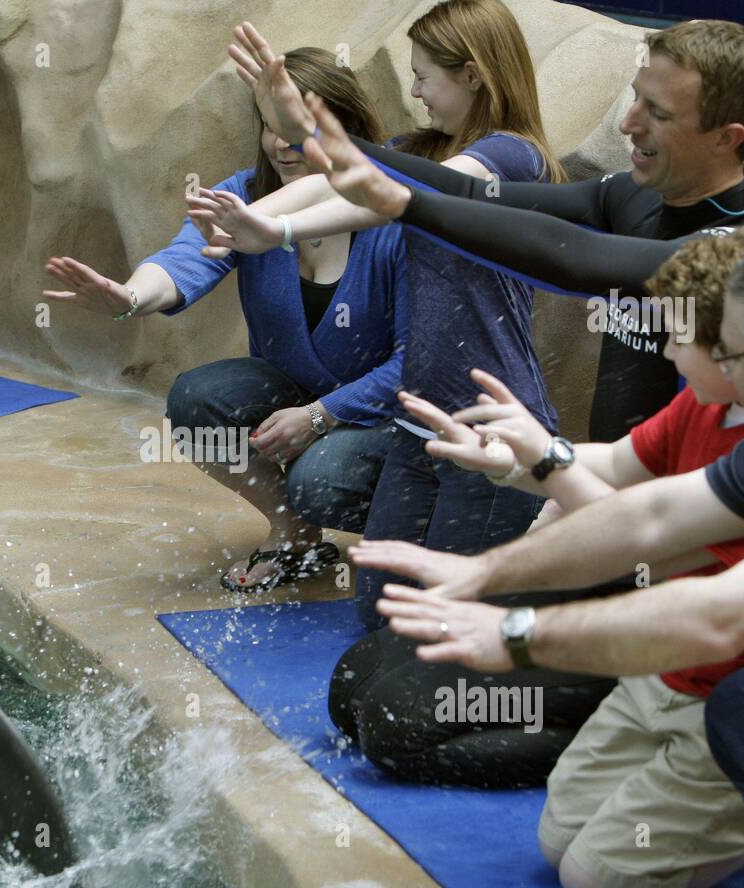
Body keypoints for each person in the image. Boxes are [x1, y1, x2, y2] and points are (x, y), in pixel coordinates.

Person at [348, 237, 744, 888]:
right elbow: (653, 515)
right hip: (686, 674)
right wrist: (484, 570)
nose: (690, 353)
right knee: (561, 837)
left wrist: (515, 635)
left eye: (729, 348)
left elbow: (717, 610)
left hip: (741, 658)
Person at [225, 17, 744, 442]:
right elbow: (468, 193)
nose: (628, 123)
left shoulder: (740, 253)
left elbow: (571, 260)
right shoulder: (629, 194)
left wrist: (400, 204)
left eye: (656, 111)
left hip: (702, 520)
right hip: (626, 480)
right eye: (634, 98)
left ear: (726, 138)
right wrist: (317, 136)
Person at [193, 0, 566, 628]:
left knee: (445, 624)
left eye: (424, 76)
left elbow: (394, 197)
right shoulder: (425, 149)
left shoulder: (511, 157)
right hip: (423, 428)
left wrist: (279, 225)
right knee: (379, 614)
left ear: (473, 74)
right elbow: (343, 178)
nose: (414, 91)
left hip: (491, 428)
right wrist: (267, 216)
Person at [44, 49, 410, 593]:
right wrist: (128, 297)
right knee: (197, 400)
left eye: (299, 127)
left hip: (387, 412)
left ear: (344, 130)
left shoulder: (390, 214)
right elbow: (184, 259)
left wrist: (321, 415)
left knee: (322, 480)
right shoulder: (245, 197)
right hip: (301, 392)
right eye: (269, 125)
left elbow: (417, 360)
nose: (281, 142)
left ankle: (414, 543)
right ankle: (295, 536)